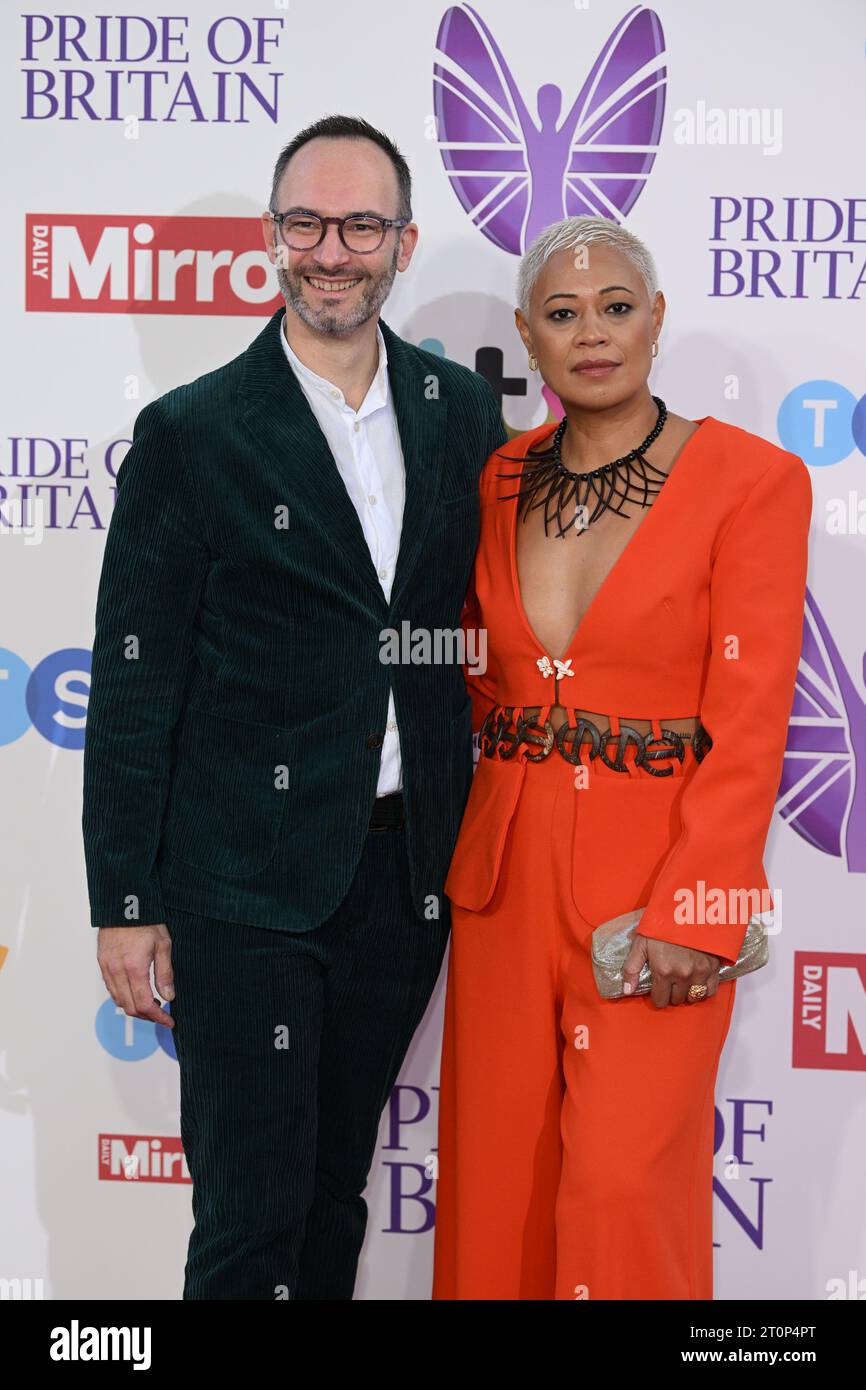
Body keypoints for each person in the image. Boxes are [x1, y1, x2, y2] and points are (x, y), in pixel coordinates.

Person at [82, 114, 506, 1300]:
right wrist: (124, 900)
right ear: (271, 239)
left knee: (333, 1196)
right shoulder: (192, 433)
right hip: (238, 891)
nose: (333, 250)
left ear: (402, 241)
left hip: (398, 876)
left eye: (360, 224)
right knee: (249, 1214)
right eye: (307, 223)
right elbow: (131, 679)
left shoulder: (457, 412)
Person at [432, 215, 812, 1300]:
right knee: (495, 1179)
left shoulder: (751, 480)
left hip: (654, 880)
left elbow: (750, 717)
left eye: (612, 309)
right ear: (526, 335)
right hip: (502, 870)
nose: (589, 334)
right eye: (560, 314)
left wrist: (698, 906)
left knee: (618, 1187)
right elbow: (466, 666)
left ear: (653, 320)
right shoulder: (498, 476)